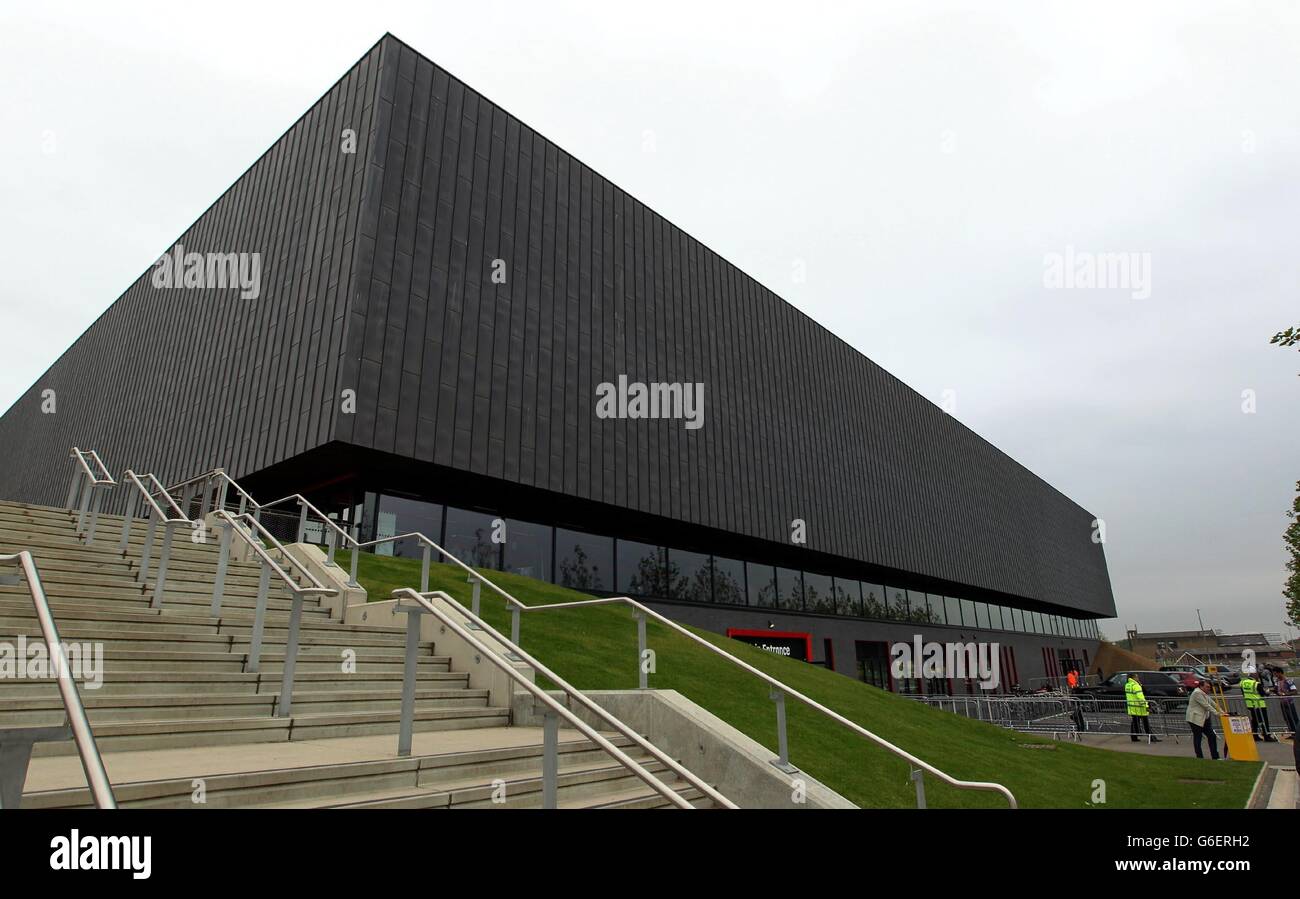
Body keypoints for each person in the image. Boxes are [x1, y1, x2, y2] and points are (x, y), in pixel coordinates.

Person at [1185, 680, 1221, 759]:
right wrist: (1217, 714)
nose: (1209, 688)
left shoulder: (1204, 693)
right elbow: (1206, 705)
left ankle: (1215, 756)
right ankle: (1200, 757)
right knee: (1198, 737)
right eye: (1207, 687)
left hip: (1205, 719)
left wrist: (1222, 712)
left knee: (1212, 736)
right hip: (1195, 719)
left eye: (1209, 687)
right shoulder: (1197, 693)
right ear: (1201, 686)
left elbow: (1213, 703)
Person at [1240, 670, 1274, 741]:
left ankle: (1254, 735)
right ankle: (1266, 735)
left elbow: (1243, 693)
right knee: (1264, 720)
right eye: (1257, 674)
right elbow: (1263, 693)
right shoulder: (1256, 684)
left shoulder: (1242, 683)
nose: (1258, 676)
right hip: (1259, 704)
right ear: (1253, 675)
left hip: (1250, 704)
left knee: (1255, 720)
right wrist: (1267, 692)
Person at [1125, 673, 1159, 742]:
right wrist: (1146, 706)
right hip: (1140, 707)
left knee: (1134, 722)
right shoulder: (1136, 686)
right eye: (1137, 677)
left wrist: (1140, 685)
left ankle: (1134, 737)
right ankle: (1152, 738)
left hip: (1133, 707)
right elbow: (1140, 697)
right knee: (1146, 723)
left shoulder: (1128, 685)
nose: (1138, 678)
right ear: (1133, 678)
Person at [1274, 668, 1298, 737]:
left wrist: (1286, 694)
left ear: (1280, 673)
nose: (1275, 675)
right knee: (1287, 718)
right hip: (1282, 702)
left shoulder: (1288, 680)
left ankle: (1297, 734)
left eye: (1275, 673)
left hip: (1289, 702)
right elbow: (1276, 690)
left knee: (1293, 718)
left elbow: (1295, 691)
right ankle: (1292, 733)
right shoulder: (1277, 681)